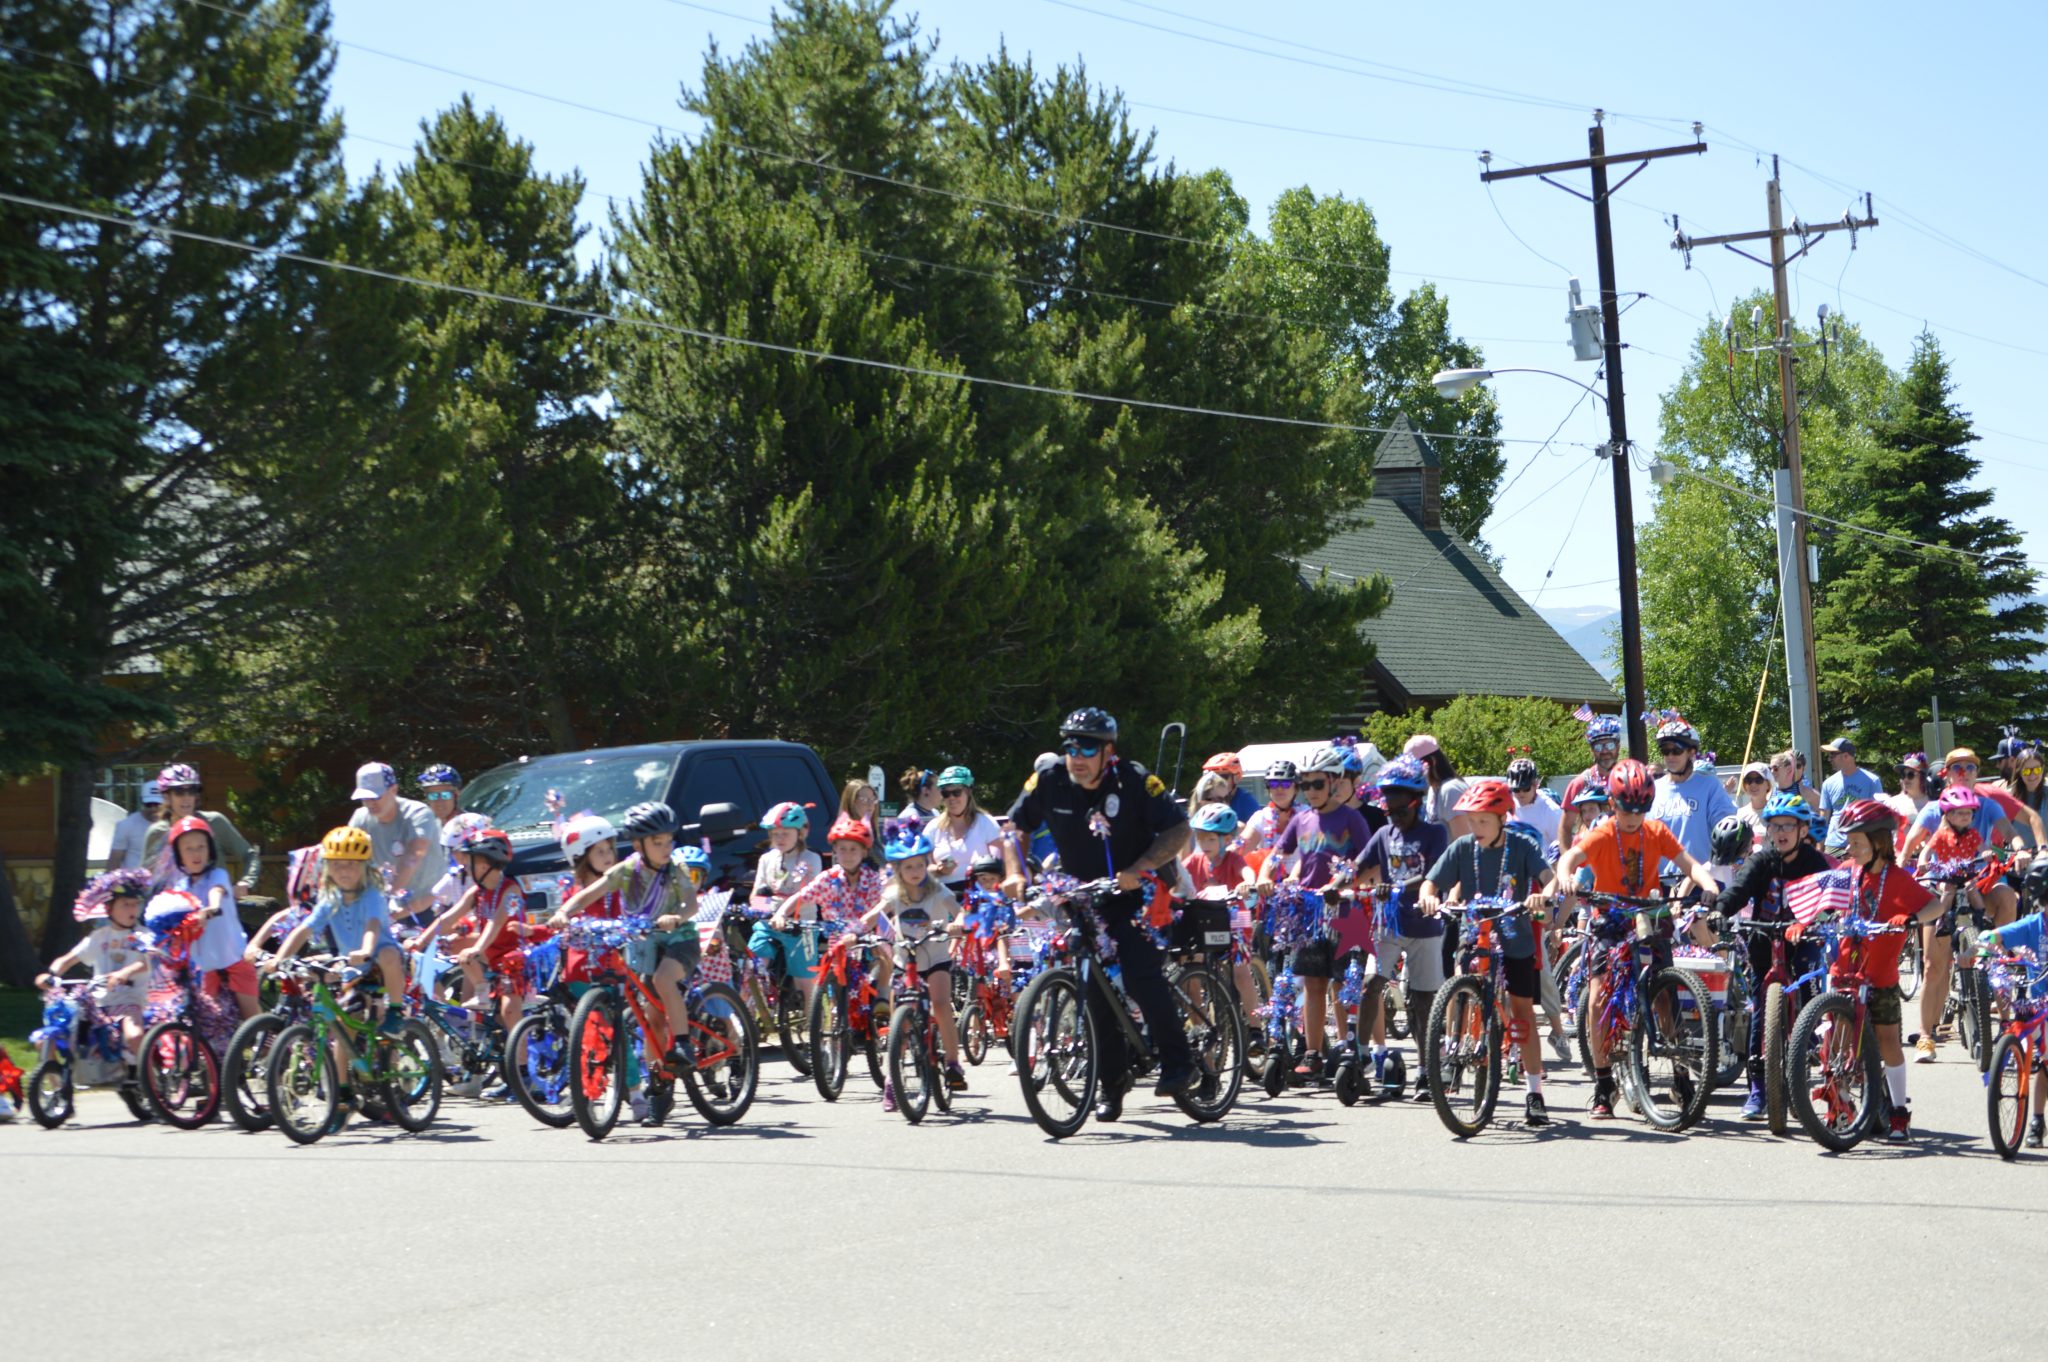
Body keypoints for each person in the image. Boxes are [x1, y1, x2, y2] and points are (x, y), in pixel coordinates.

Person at [1001, 707, 1197, 1119]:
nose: (1077, 754)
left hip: (1134, 892)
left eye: (1087, 746)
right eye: (1070, 744)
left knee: (1141, 976)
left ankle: (1180, 1061)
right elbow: (1015, 826)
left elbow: (1179, 830)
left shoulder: (1135, 780)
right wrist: (1016, 872)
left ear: (1108, 750)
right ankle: (1112, 1081)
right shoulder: (1050, 778)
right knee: (1092, 990)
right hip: (1080, 894)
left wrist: (1139, 868)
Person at [1555, 758, 1722, 1119]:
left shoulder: (1656, 832)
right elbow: (1569, 858)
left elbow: (1689, 864)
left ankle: (1681, 1076)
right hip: (1610, 917)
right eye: (1627, 808)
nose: (1634, 816)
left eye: (1641, 808)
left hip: (1647, 913)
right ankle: (1603, 1084)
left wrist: (1707, 886)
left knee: (1666, 996)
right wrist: (1568, 876)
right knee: (1599, 997)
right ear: (1612, 804)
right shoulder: (1601, 834)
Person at [1792, 798, 1937, 1141]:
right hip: (1845, 971)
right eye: (1849, 842)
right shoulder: (1845, 873)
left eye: (1857, 843)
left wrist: (1913, 918)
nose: (1850, 849)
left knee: (1888, 1041)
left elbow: (1934, 904)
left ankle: (1899, 1112)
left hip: (1881, 975)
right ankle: (1839, 1103)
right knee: (1839, 1040)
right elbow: (1819, 901)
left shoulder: (1898, 880)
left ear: (1879, 843)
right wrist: (1802, 923)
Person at [1417, 780, 1556, 1124]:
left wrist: (1543, 894)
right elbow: (1431, 881)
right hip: (1475, 933)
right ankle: (1452, 1051)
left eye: (1483, 821)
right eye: (1471, 820)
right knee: (1460, 980)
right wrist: (1429, 894)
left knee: (1522, 1014)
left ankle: (1534, 1092)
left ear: (1502, 818)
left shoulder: (1521, 845)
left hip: (1515, 936)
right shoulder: (1463, 848)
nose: (1474, 828)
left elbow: (1549, 877)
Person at [552, 801, 701, 1066]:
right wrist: (565, 911)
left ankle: (682, 1043)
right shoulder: (627, 870)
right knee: (651, 1016)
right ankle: (656, 1080)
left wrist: (678, 917)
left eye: (669, 842)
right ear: (638, 846)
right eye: (658, 843)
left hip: (680, 940)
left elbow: (692, 903)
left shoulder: (676, 870)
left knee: (664, 980)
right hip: (646, 943)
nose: (666, 849)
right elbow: (590, 893)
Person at [1255, 745, 1373, 1076]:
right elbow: (1278, 854)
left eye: (1316, 784)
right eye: (1305, 785)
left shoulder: (1352, 818)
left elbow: (1367, 860)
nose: (1310, 791)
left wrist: (1344, 881)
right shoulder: (1301, 819)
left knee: (1342, 982)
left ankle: (1345, 1047)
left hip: (1346, 911)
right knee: (1313, 983)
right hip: (1309, 912)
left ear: (1334, 782)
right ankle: (1312, 1053)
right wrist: (1265, 876)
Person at [1714, 793, 1832, 1119]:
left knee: (1810, 986)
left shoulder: (1813, 862)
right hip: (1765, 939)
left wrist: (1817, 918)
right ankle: (1757, 1089)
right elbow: (1738, 889)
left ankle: (1812, 1051)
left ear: (1802, 830)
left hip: (1802, 937)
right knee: (1760, 1010)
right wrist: (1720, 910)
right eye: (1775, 825)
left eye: (1788, 826)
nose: (1780, 832)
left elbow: (1828, 897)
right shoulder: (1762, 859)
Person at [1354, 755, 1450, 1100]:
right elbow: (1358, 867)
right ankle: (1361, 1055)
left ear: (1416, 802)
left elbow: (1433, 874)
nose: (1394, 816)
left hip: (1425, 924)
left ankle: (1427, 1070)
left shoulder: (1435, 832)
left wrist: (1397, 887)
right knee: (1370, 984)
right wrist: (1335, 886)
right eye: (1389, 810)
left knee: (1423, 1001)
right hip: (1390, 923)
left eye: (1400, 810)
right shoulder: (1383, 834)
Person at [266, 827, 408, 1036]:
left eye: (351, 864)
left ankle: (396, 1012)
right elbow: (304, 929)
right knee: (344, 1029)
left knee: (388, 956)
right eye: (336, 864)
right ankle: (339, 1070)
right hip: (353, 968)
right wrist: (279, 958)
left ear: (365, 866)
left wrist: (366, 950)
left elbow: (373, 925)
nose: (343, 871)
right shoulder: (330, 899)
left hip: (381, 964)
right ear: (327, 867)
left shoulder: (371, 895)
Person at [875, 825, 968, 1106]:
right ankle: (893, 1079)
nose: (915, 871)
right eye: (908, 867)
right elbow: (875, 914)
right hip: (906, 960)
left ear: (927, 864)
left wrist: (957, 925)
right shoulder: (894, 893)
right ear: (897, 870)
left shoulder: (937, 890)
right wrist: (857, 929)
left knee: (940, 1003)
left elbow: (960, 911)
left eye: (919, 865)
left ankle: (952, 1063)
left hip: (936, 958)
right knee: (898, 1022)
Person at [412, 826, 529, 1038]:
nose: (465, 867)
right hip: (491, 952)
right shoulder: (478, 892)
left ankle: (522, 1066)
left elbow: (496, 922)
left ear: (485, 864)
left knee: (509, 1012)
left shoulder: (511, 890)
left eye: (469, 862)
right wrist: (420, 941)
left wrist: (476, 948)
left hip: (514, 956)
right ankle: (483, 991)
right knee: (456, 944)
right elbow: (447, 919)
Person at [37, 868, 155, 1061]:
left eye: (135, 905)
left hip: (129, 1001)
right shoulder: (99, 937)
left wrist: (123, 973)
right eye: (126, 904)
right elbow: (67, 960)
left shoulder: (143, 935)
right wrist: (51, 975)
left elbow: (144, 962)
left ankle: (149, 1081)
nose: (133, 910)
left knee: (134, 1035)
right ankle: (58, 1084)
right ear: (109, 909)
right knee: (47, 1038)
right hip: (97, 1004)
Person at [158, 814, 259, 1020]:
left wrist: (210, 908)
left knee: (252, 1020)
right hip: (205, 966)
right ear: (179, 856)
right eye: (188, 848)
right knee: (206, 1022)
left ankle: (274, 1047)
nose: (196, 853)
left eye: (201, 847)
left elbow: (217, 892)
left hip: (235, 957)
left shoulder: (218, 875)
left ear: (210, 850)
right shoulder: (180, 889)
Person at [1976, 904, 2048, 1146]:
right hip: (2041, 1005)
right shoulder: (2033, 924)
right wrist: (1985, 942)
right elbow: (1999, 934)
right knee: (2043, 1056)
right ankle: (2037, 1119)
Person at [346, 761, 440, 926]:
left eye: (375, 796)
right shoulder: (360, 818)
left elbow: (415, 854)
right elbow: (346, 855)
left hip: (430, 907)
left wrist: (386, 896)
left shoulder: (418, 813)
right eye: (364, 798)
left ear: (394, 790)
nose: (369, 803)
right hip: (390, 908)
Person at [1649, 717, 1737, 883]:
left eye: (1676, 750)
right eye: (1665, 751)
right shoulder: (1654, 789)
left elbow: (1726, 829)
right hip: (1661, 885)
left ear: (1691, 752)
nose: (1670, 756)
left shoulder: (1709, 785)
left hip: (1700, 883)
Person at [143, 763, 257, 887]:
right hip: (174, 903)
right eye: (179, 792)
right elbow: (146, 878)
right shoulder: (157, 832)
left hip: (215, 902)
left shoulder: (215, 822)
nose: (186, 798)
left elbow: (250, 854)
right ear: (167, 797)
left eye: (191, 791)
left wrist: (246, 882)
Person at [926, 765, 1003, 898]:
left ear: (968, 792)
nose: (951, 798)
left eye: (956, 792)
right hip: (943, 895)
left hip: (979, 894)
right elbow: (921, 868)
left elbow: (998, 863)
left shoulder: (987, 823)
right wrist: (939, 870)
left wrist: (983, 869)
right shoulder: (933, 827)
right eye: (946, 793)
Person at [1561, 716, 1625, 845]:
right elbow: (1565, 828)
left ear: (1617, 747)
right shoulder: (1581, 782)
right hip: (1591, 855)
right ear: (1592, 750)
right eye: (1599, 747)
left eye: (1610, 745)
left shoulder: (1628, 778)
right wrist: (1568, 861)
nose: (1605, 751)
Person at [1404, 735, 1471, 841]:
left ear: (1432, 761)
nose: (1411, 773)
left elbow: (1464, 844)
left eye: (1415, 767)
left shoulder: (1450, 791)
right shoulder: (1433, 789)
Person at [1819, 739, 1882, 847]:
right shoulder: (1828, 783)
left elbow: (1878, 815)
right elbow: (1824, 816)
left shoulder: (1872, 781)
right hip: (1834, 845)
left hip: (1861, 844)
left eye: (1832, 755)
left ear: (1846, 756)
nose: (1829, 759)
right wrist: (1820, 846)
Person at [1234, 759, 1299, 860]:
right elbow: (1242, 844)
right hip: (1268, 874)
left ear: (1296, 788)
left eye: (1286, 784)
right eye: (1273, 784)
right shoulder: (1261, 816)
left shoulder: (1306, 815)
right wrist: (1217, 856)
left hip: (1302, 875)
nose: (1279, 789)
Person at [1505, 756, 1561, 857]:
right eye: (1516, 790)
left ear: (1535, 784)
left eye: (1526, 788)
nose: (1521, 793)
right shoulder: (1507, 806)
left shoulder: (1551, 810)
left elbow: (1562, 845)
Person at [106, 780, 162, 872]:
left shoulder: (174, 825)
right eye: (148, 804)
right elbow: (114, 862)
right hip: (133, 884)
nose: (153, 808)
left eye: (157, 804)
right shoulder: (126, 825)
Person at [1202, 753, 1261, 825]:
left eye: (1223, 777)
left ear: (1237, 778)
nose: (1216, 782)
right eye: (1211, 778)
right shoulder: (1203, 800)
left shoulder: (1247, 804)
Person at [836, 778, 884, 864]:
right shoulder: (844, 836)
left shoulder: (874, 834)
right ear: (851, 803)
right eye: (864, 800)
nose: (870, 805)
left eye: (873, 800)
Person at [1883, 752, 1934, 829]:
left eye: (1911, 775)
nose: (1906, 779)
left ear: (1922, 777)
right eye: (1903, 775)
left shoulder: (1934, 803)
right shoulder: (1892, 803)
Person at [1731, 762, 1773, 848]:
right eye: (1748, 780)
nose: (1753, 784)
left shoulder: (1776, 812)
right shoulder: (1739, 814)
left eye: (1758, 780)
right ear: (1745, 785)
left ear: (1768, 784)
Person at [417, 763, 464, 829]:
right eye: (433, 796)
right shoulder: (424, 828)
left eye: (445, 795)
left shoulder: (472, 825)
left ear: (456, 795)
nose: (439, 802)